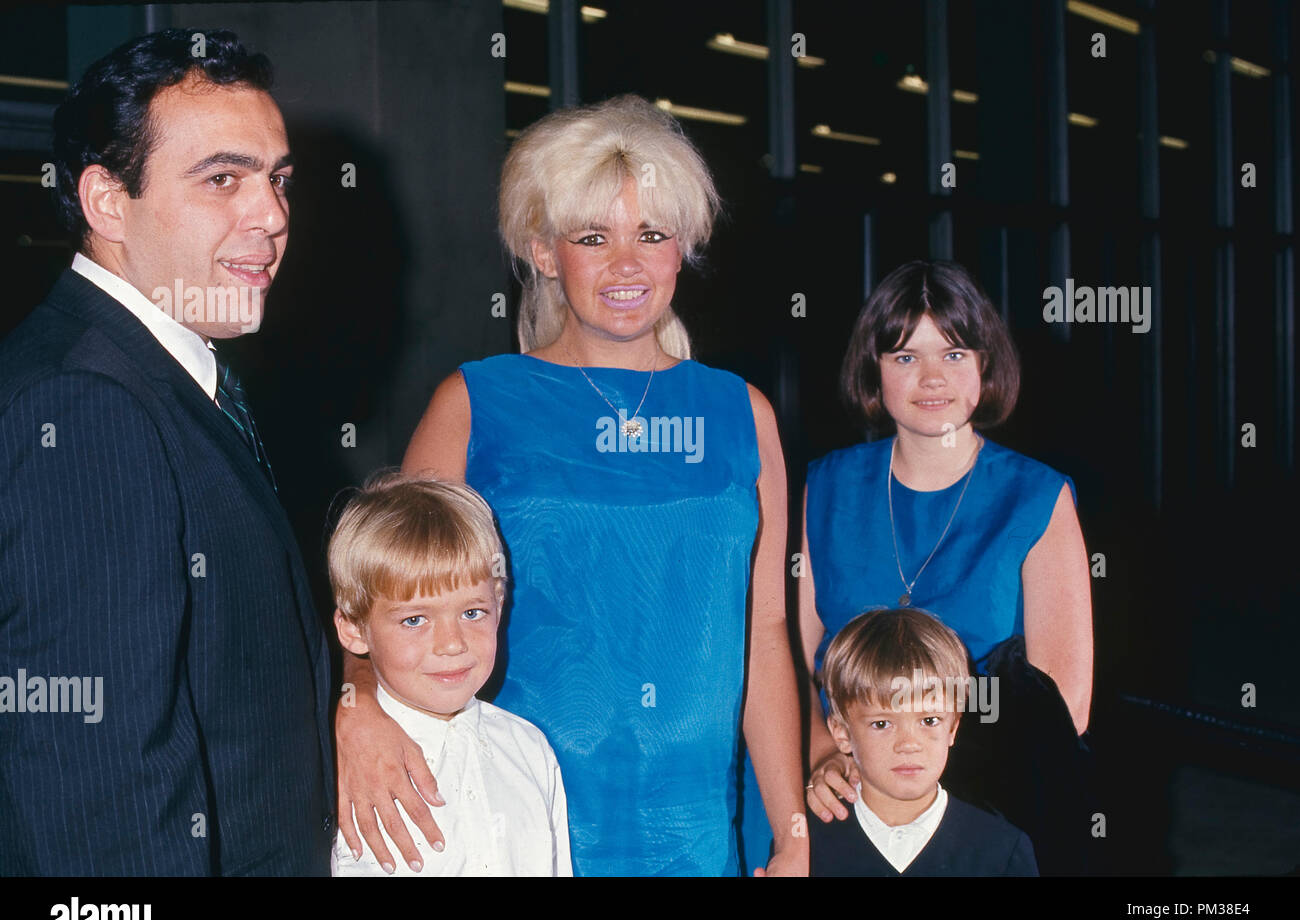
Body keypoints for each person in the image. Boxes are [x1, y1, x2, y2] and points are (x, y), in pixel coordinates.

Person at [335, 94, 806, 876]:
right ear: (544, 251)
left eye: (651, 235)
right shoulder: (477, 402)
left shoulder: (741, 413)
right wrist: (353, 709)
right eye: (594, 236)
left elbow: (764, 632)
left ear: (681, 247)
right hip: (509, 820)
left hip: (693, 834)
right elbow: (377, 592)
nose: (627, 264)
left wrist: (790, 828)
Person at [0, 29, 333, 874]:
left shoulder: (154, 366)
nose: (273, 215)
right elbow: (100, 790)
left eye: (278, 179)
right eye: (223, 179)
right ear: (109, 202)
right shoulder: (85, 405)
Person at [800, 260, 1094, 873]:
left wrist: (914, 776)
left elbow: (1064, 705)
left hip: (984, 800)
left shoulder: (1036, 496)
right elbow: (801, 658)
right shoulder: (827, 483)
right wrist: (822, 750)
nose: (932, 377)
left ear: (985, 368)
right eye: (905, 357)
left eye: (955, 354)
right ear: (872, 371)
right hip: (845, 784)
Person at [327, 474, 571, 876]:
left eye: (472, 612)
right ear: (354, 629)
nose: (452, 643)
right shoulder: (340, 768)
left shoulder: (529, 749)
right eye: (415, 619)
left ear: (499, 603)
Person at [810, 608, 1038, 876]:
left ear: (953, 728)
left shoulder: (1001, 850)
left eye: (929, 721)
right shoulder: (808, 843)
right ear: (842, 734)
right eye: (882, 724)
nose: (908, 744)